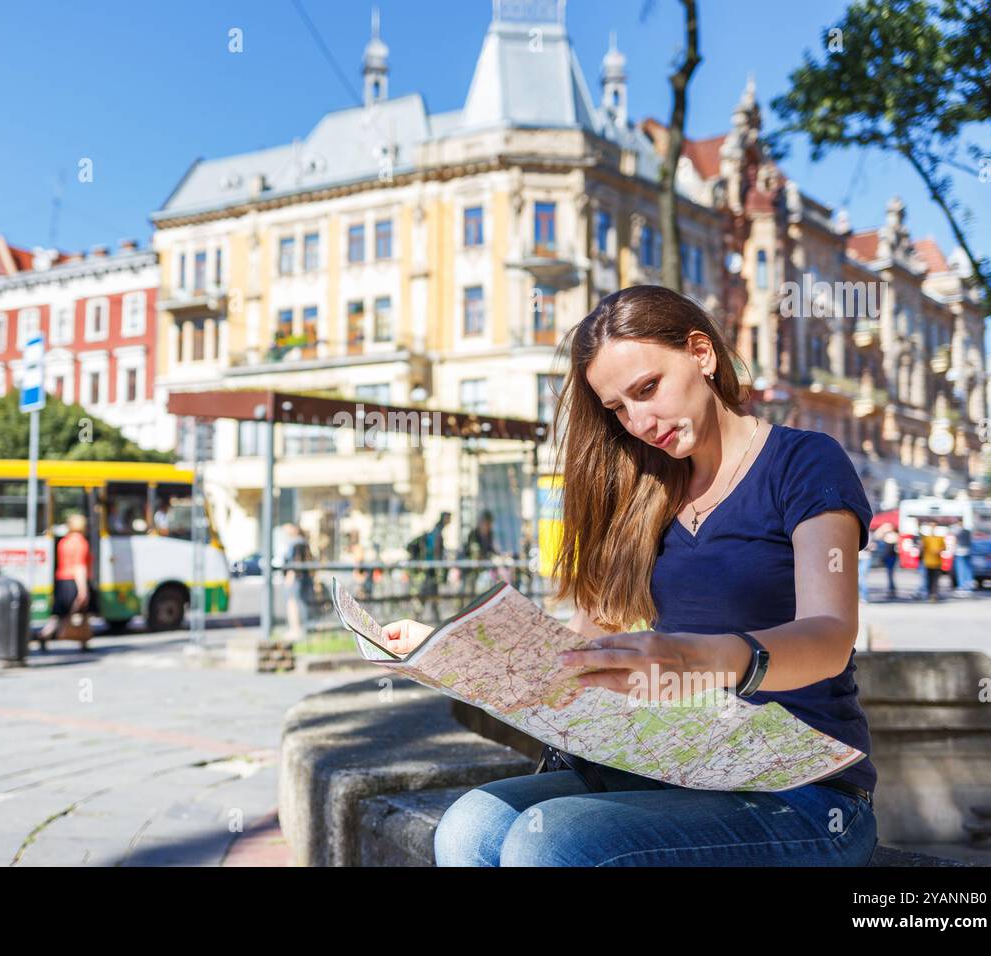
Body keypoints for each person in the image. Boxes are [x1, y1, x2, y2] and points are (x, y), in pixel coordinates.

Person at [384, 285, 878, 867]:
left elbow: (829, 634)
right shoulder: (645, 489)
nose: (640, 422)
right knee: (471, 825)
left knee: (552, 841)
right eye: (618, 408)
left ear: (701, 353)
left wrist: (695, 659)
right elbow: (582, 650)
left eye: (647, 389)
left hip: (801, 789)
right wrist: (453, 654)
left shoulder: (805, 461)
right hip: (674, 766)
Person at [42, 513, 92, 645]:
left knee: (59, 614)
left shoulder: (64, 541)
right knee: (81, 613)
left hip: (61, 580)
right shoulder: (81, 542)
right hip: (74, 581)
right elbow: (79, 567)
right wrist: (83, 589)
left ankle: (44, 634)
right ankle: (83, 640)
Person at [463, 509, 497, 593]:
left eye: (490, 524)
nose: (488, 526)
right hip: (472, 569)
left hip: (484, 569)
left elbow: (491, 549)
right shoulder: (474, 534)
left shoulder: (490, 534)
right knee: (471, 592)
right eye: (487, 523)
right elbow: (473, 550)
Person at [920, 522, 945, 602]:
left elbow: (944, 547)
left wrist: (939, 550)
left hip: (937, 562)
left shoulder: (940, 538)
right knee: (929, 579)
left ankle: (934, 594)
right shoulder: (926, 538)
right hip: (928, 561)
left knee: (935, 580)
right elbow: (922, 548)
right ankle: (930, 593)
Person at [951, 521, 974, 595]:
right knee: (968, 569)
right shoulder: (968, 531)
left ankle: (962, 585)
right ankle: (969, 584)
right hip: (967, 550)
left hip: (959, 551)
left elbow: (955, 541)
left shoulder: (958, 531)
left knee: (960, 569)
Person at [879, 525, 899, 598]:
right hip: (889, 557)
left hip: (891, 557)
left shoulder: (893, 535)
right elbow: (877, 536)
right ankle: (891, 588)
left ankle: (891, 589)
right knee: (890, 574)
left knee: (890, 573)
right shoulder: (889, 535)